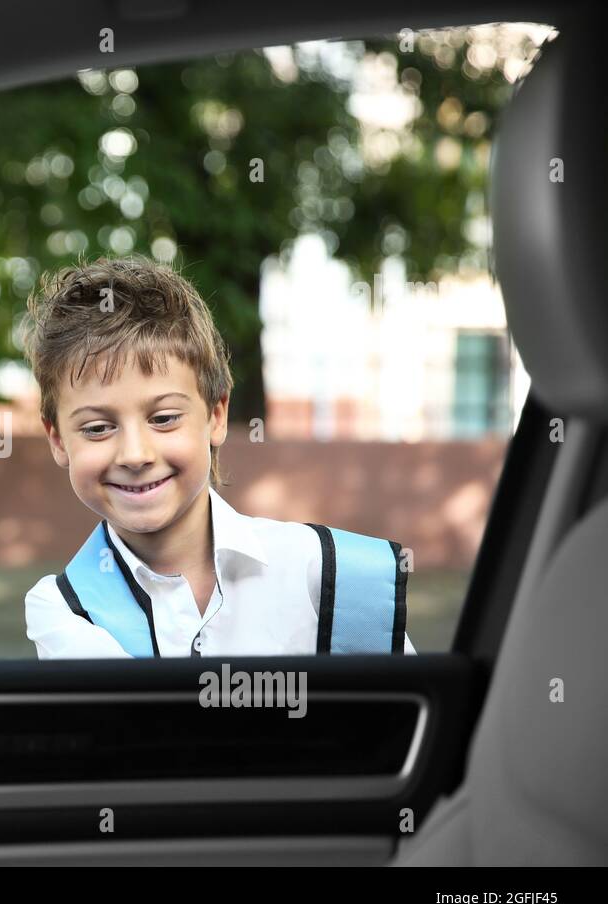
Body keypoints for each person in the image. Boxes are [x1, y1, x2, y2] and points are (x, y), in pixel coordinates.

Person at [23, 256, 416, 659]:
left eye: (163, 418)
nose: (135, 454)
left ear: (216, 415)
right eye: (97, 428)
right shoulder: (66, 610)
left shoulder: (338, 574)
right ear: (57, 439)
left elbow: (405, 717)